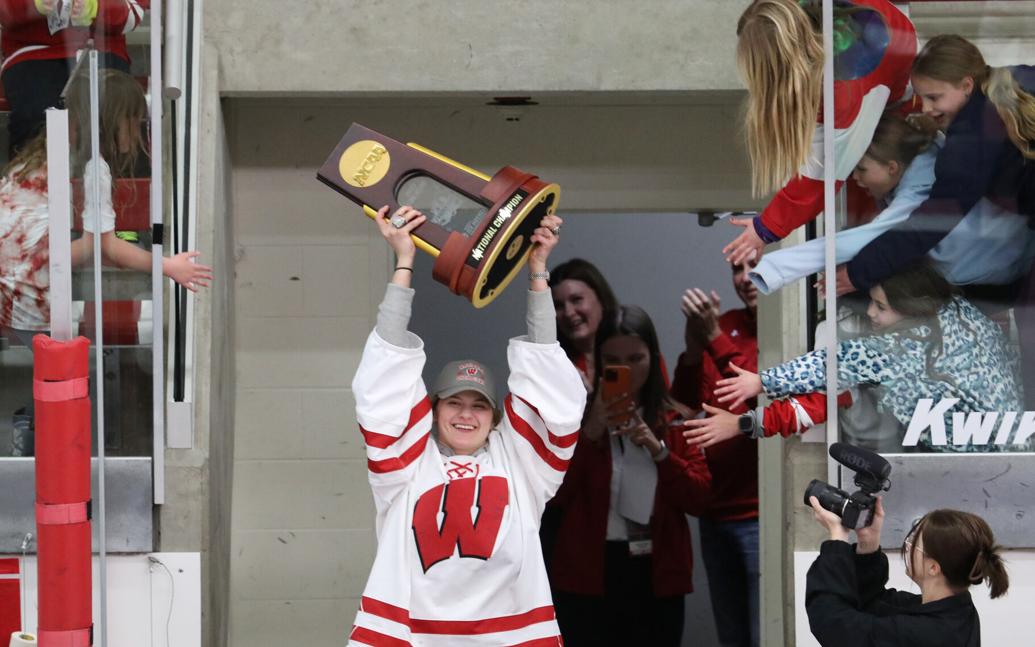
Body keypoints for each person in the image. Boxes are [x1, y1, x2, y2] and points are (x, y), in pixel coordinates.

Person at [347, 205, 586, 646]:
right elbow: (384, 377)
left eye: (478, 405)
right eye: (454, 402)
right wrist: (404, 261)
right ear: (431, 411)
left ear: (497, 419)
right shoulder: (404, 467)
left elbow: (549, 381)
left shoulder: (521, 466)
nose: (464, 413)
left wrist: (537, 270)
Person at [0, 68, 211, 455]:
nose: (140, 130)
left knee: (59, 385)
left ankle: (35, 445)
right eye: (136, 119)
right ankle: (37, 452)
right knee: (70, 387)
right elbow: (105, 247)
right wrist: (170, 266)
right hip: (31, 296)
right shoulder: (93, 167)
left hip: (10, 292)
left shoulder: (41, 157)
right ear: (117, 122)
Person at [836, 35, 1035, 406]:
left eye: (934, 97)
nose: (926, 108)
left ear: (966, 85)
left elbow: (938, 215)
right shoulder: (1017, 82)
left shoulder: (975, 131)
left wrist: (860, 271)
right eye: (922, 97)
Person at [711, 262, 1023, 452]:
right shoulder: (963, 314)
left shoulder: (897, 349)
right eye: (870, 303)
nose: (872, 313)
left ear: (913, 307)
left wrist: (761, 382)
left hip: (956, 459)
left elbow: (827, 368)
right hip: (1015, 444)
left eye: (881, 306)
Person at [548, 304, 711, 647]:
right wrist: (589, 436)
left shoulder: (677, 419)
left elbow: (699, 499)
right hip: (588, 570)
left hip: (656, 570)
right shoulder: (571, 416)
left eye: (636, 359)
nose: (626, 369)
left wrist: (660, 451)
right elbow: (552, 497)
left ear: (653, 358)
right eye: (613, 361)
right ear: (599, 362)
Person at [725, 0, 917, 266]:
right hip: (887, 27)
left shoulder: (837, 97)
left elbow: (821, 177)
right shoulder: (810, 11)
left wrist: (765, 228)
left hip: (894, 65)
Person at [669, 258, 760, 647]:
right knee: (732, 639)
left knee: (766, 636)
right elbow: (684, 404)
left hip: (763, 516)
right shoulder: (721, 326)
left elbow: (770, 406)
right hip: (715, 514)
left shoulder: (796, 327)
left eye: (755, 266)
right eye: (737, 270)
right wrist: (694, 347)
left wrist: (714, 338)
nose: (745, 278)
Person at [806, 496, 1009, 647]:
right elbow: (873, 603)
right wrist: (868, 542)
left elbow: (834, 625)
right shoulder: (955, 610)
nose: (908, 547)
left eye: (914, 544)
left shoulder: (929, 633)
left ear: (933, 567)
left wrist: (838, 539)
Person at [0, 0, 149, 156]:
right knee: (35, 117)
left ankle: (116, 177)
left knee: (114, 109)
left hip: (101, 46)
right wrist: (32, 4)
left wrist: (95, 7)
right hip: (31, 50)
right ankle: (29, 177)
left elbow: (133, 10)